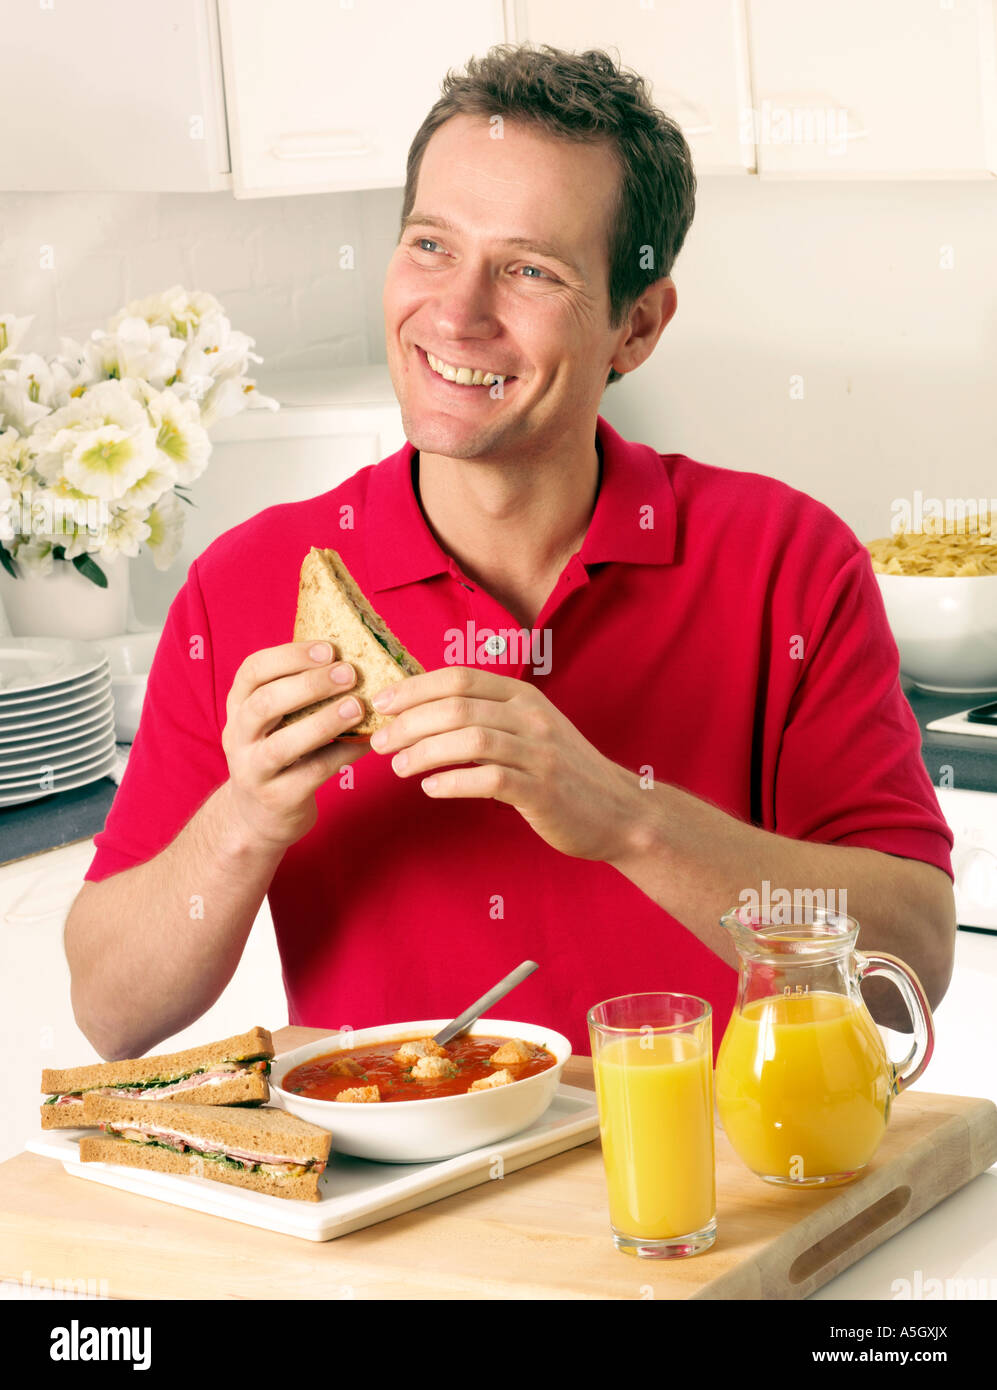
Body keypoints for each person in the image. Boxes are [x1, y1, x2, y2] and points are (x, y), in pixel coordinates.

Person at [66, 45, 955, 1063]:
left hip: (722, 1196)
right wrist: (247, 818)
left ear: (638, 324)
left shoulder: (787, 561)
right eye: (432, 246)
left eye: (529, 269)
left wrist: (624, 816)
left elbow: (912, 963)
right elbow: (110, 1011)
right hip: (400, 1202)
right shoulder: (246, 586)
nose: (456, 312)